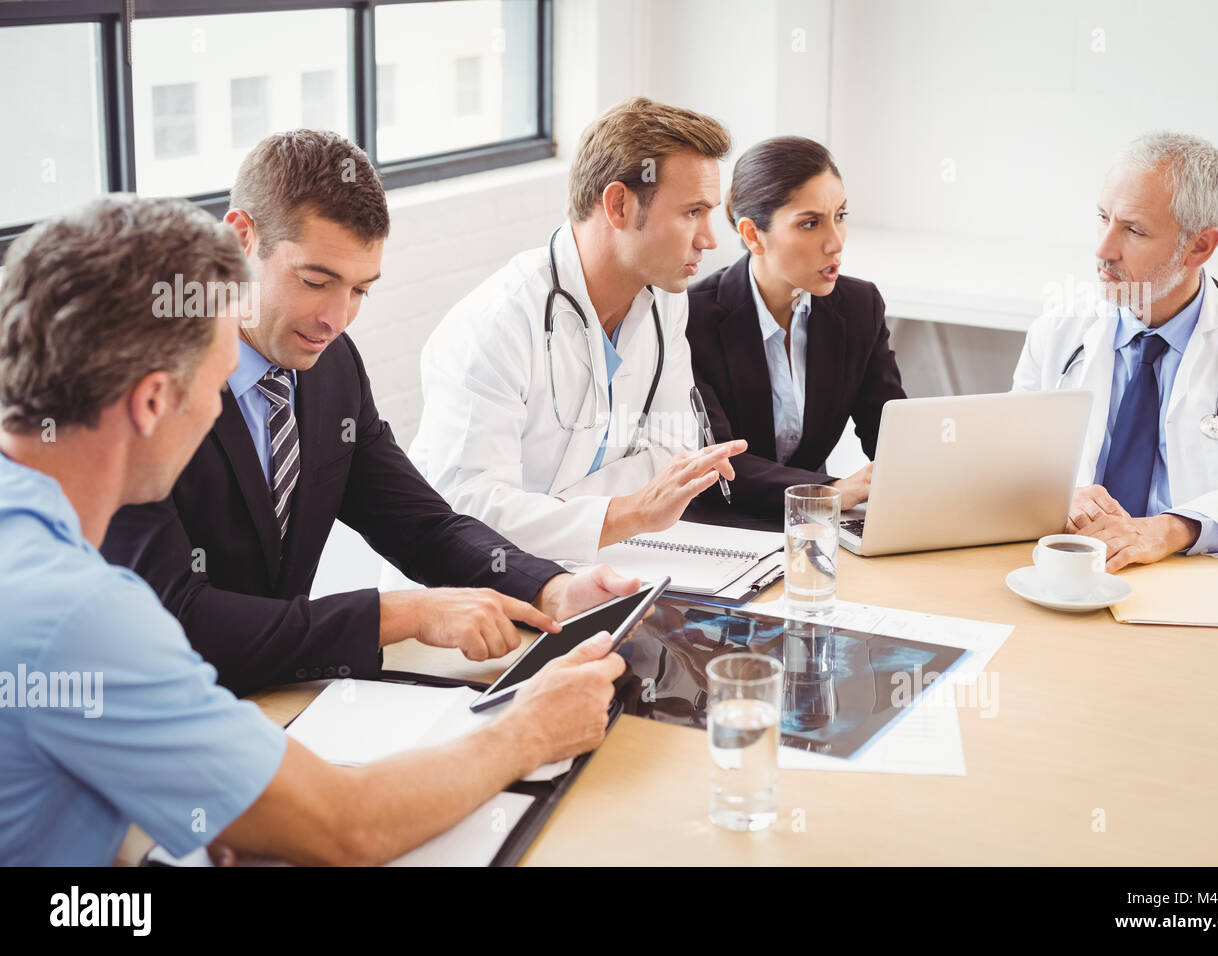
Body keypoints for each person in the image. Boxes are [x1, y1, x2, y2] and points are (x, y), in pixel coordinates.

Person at [0, 196, 626, 865]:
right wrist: (528, 731)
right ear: (153, 401)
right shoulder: (83, 615)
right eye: (216, 386)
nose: (222, 404)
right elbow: (347, 826)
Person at [102, 131, 638, 697]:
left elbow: (421, 525)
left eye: (361, 290)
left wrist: (548, 588)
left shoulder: (331, 367)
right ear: (241, 239)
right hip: (155, 707)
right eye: (315, 281)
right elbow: (176, 618)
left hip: (281, 696)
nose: (336, 319)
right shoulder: (147, 386)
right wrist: (400, 614)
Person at [396, 97, 747, 566]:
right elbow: (468, 511)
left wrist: (556, 510)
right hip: (469, 598)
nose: (709, 239)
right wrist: (629, 510)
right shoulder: (496, 323)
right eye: (692, 213)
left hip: (594, 568)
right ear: (619, 205)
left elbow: (674, 450)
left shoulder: (666, 299)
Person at [1013, 132, 1218, 569]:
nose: (1103, 250)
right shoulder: (1057, 330)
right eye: (1103, 217)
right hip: (1073, 566)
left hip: (1196, 576)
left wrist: (1169, 529)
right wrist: (1057, 498)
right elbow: (1009, 461)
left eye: (1133, 230)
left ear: (1199, 246)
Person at [686, 136, 905, 518]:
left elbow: (890, 434)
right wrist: (833, 491)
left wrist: (931, 468)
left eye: (840, 216)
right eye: (810, 223)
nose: (835, 243)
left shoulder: (859, 307)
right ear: (753, 235)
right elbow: (717, 463)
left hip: (816, 526)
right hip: (723, 526)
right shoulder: (692, 317)